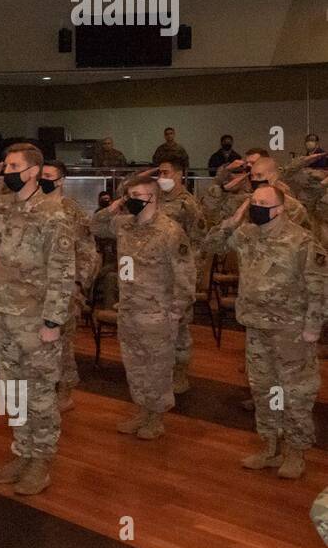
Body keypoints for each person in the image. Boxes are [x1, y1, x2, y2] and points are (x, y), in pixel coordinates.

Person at [0, 143, 77, 496]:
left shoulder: (53, 214)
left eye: (14, 166)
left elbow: (63, 272)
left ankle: (42, 461)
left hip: (37, 319)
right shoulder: (1, 205)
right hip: (5, 314)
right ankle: (23, 452)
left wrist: (53, 323)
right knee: (13, 391)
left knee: (39, 393)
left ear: (34, 170)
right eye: (5, 165)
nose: (7, 171)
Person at [200, 186, 326, 479]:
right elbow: (211, 246)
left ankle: (295, 452)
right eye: (253, 202)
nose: (256, 207)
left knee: (295, 393)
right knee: (265, 390)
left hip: (291, 330)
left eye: (263, 204)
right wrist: (232, 221)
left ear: (280, 208)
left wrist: (312, 327)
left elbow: (319, 287)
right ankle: (270, 446)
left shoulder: (301, 240)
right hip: (256, 326)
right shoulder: (246, 234)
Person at [92, 176, 194, 440]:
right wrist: (117, 204)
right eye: (129, 195)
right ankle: (142, 411)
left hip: (158, 313)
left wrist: (175, 312)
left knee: (157, 369)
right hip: (128, 309)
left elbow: (185, 275)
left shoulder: (170, 231)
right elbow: (94, 225)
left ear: (153, 197)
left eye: (137, 195)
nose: (132, 200)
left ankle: (156, 418)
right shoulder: (125, 225)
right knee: (135, 366)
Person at [39, 161, 101, 412]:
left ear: (61, 180)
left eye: (48, 175)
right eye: (40, 174)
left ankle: (65, 392)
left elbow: (88, 252)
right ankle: (43, 392)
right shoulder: (33, 207)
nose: (42, 179)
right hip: (37, 289)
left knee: (62, 346)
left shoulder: (72, 211)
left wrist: (78, 285)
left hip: (64, 289)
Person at [150, 159, 206, 393]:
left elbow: (199, 240)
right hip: (155, 273)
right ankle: (160, 373)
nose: (161, 176)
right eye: (159, 172)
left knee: (180, 327)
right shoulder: (155, 198)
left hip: (179, 274)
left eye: (165, 172)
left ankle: (180, 374)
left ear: (179, 175)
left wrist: (191, 276)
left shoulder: (188, 204)